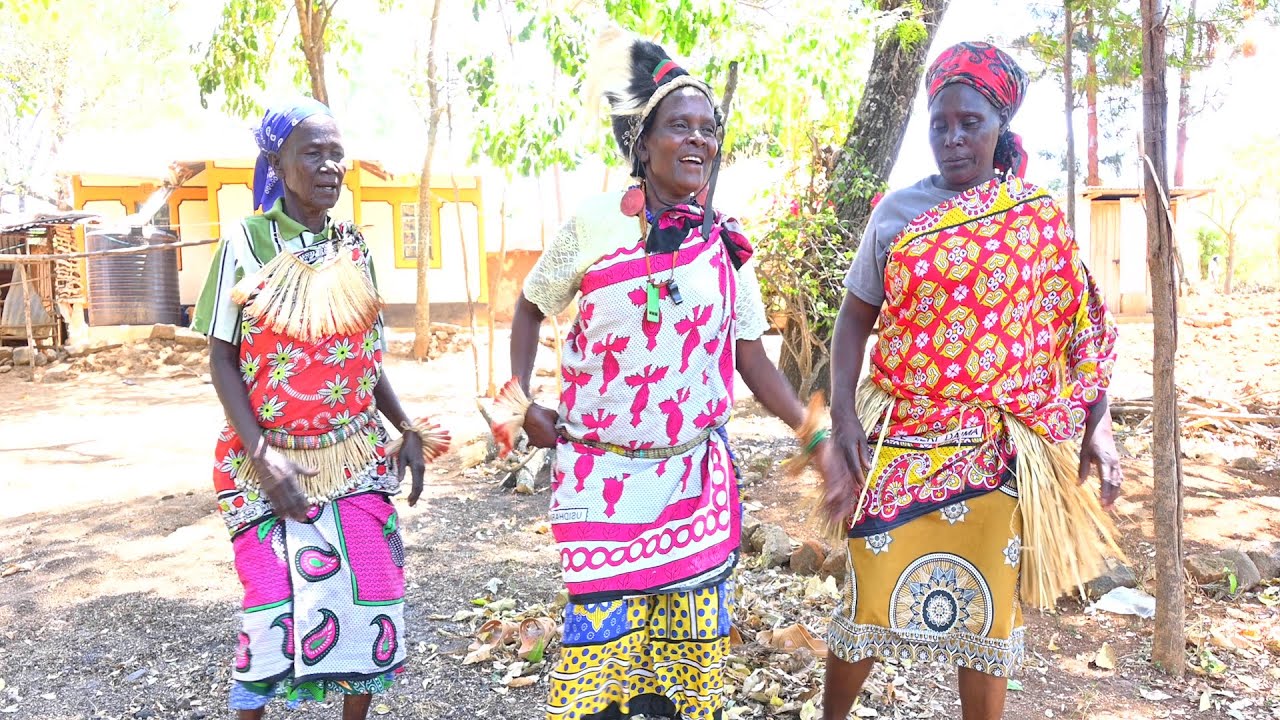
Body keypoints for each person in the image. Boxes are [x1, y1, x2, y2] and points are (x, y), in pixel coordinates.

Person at [508, 30, 848, 720]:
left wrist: (814, 436)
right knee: (597, 670)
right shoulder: (594, 225)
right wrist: (522, 399)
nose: (698, 140)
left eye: (707, 129)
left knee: (685, 674)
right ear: (642, 143)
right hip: (602, 482)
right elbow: (530, 305)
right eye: (679, 126)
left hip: (693, 484)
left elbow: (751, 357)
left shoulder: (724, 241)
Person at [821, 43, 1122, 720]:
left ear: (999, 127)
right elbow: (853, 321)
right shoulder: (896, 212)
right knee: (868, 597)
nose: (953, 138)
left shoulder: (1034, 217)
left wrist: (1098, 425)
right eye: (940, 124)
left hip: (995, 454)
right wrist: (843, 417)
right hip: (900, 441)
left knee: (986, 621)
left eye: (970, 123)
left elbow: (1081, 324)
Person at [192, 98, 446, 719]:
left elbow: (365, 356)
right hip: (263, 460)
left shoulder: (353, 246)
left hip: (353, 454)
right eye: (313, 153)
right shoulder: (246, 244)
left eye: (337, 154)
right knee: (270, 613)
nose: (330, 166)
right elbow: (221, 358)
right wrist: (262, 455)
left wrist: (405, 426)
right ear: (278, 164)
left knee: (372, 594)